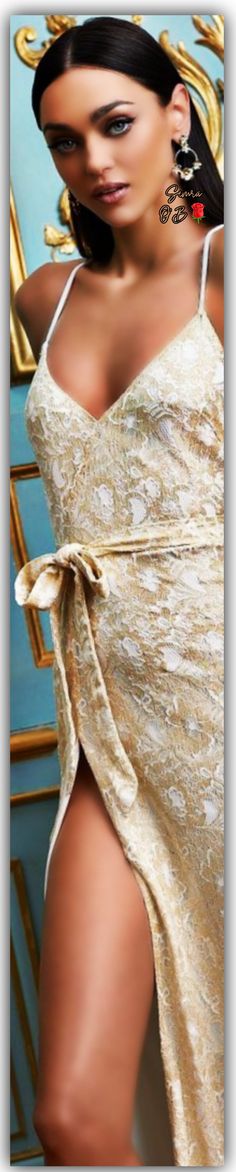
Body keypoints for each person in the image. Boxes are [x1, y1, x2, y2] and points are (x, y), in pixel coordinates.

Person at [14, 15, 224, 1168]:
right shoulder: (46, 296)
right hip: (105, 730)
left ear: (176, 115)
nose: (93, 160)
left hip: (219, 708)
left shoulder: (223, 270)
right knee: (73, 1118)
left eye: (116, 123)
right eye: (61, 142)